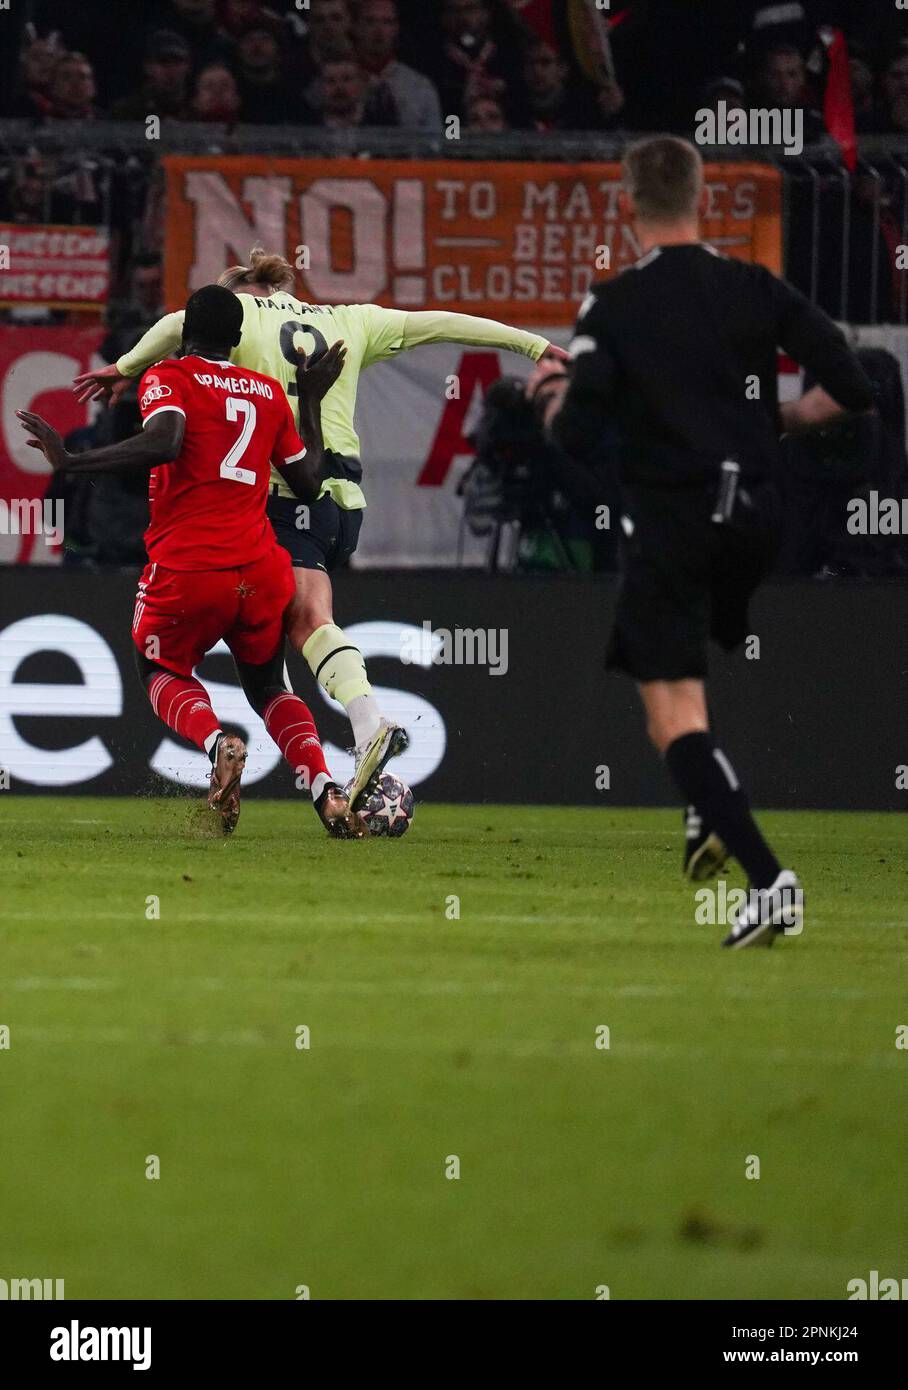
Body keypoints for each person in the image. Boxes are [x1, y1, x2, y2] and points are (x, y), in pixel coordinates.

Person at [72, 249, 568, 809]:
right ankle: (331, 784)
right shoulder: (352, 319)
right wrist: (532, 345)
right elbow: (441, 323)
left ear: (236, 298)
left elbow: (177, 325)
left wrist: (124, 366)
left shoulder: (235, 319)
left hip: (278, 498)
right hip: (340, 501)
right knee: (287, 642)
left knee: (301, 630)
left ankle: (365, 726)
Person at [542, 135, 874, 949]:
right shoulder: (753, 286)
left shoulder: (614, 305)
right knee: (690, 675)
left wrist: (550, 393)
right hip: (759, 520)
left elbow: (575, 437)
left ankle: (771, 882)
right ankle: (706, 811)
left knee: (671, 720)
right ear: (702, 201)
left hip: (676, 521)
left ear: (627, 206)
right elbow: (856, 385)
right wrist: (784, 420)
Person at [23, 285, 362, 839]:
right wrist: (313, 403)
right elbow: (306, 484)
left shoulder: (169, 378)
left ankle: (216, 744)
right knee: (271, 687)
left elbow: (166, 440)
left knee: (158, 667)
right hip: (259, 571)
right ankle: (327, 792)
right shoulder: (269, 391)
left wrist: (71, 461)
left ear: (183, 334)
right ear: (237, 340)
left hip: (190, 571)